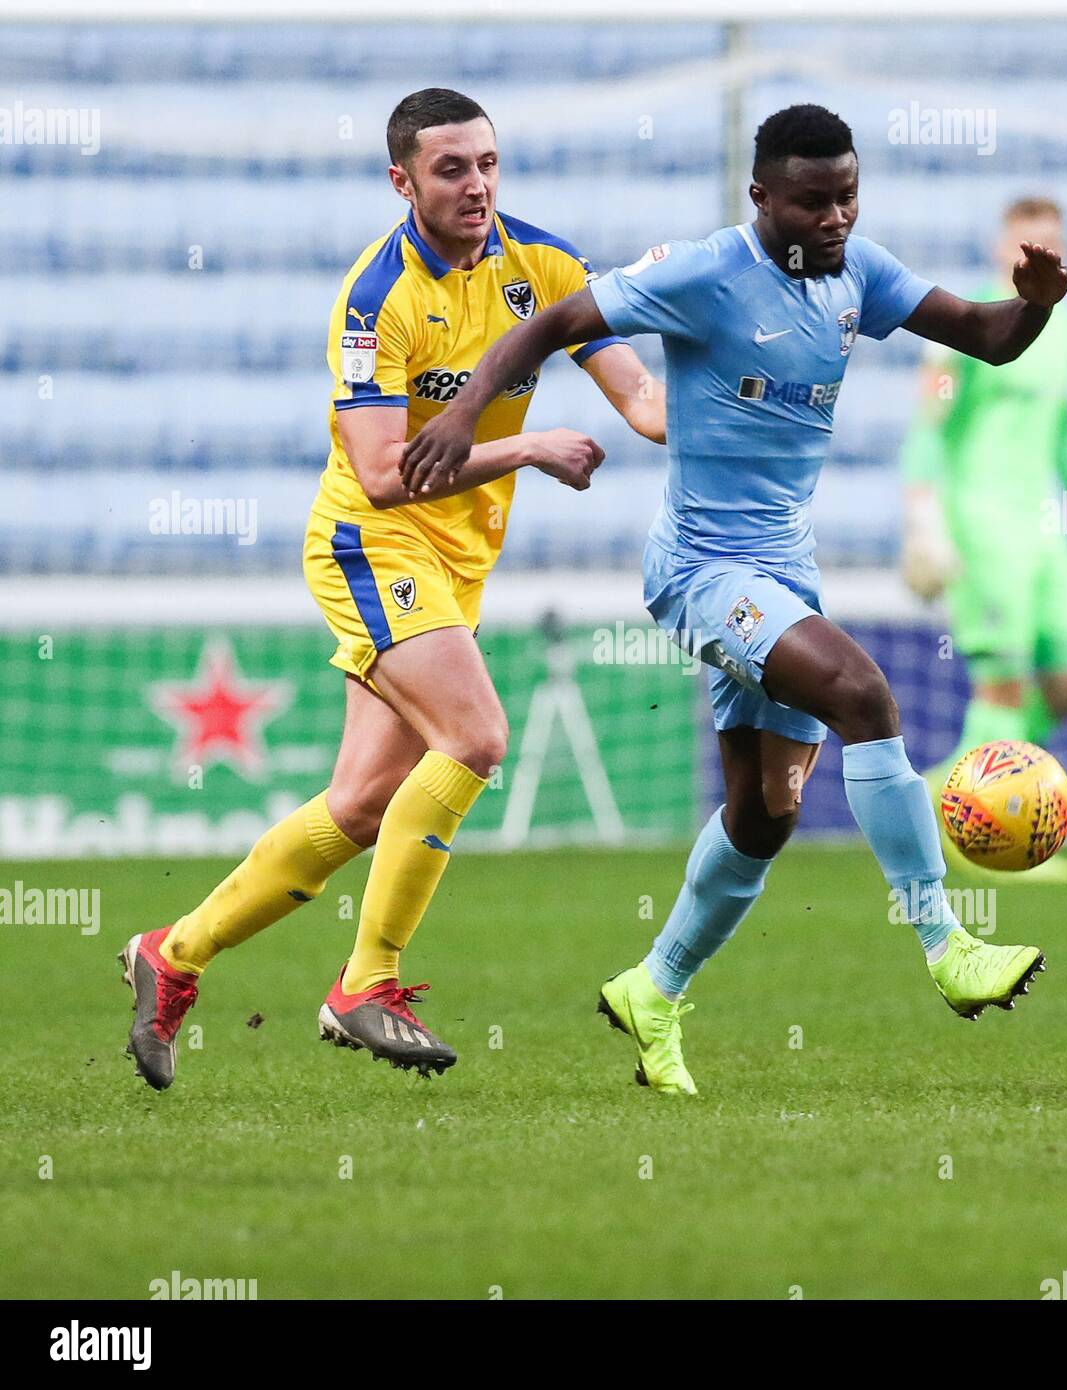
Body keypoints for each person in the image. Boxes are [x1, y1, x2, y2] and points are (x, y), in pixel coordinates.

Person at [399, 104, 1067, 1096]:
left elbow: (985, 335)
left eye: (845, 195)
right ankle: (944, 943)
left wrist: (1036, 302)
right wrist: (461, 415)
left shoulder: (859, 274)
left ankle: (652, 985)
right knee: (862, 695)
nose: (834, 215)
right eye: (811, 200)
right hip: (701, 571)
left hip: (782, 571)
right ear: (761, 197)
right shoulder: (705, 275)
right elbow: (553, 321)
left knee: (767, 809)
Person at [119, 87, 665, 1091]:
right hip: (371, 544)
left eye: (488, 164)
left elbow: (638, 395)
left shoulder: (543, 265)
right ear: (402, 179)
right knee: (477, 737)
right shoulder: (375, 300)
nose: (476, 184)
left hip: (455, 562)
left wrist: (727, 400)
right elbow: (379, 474)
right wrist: (529, 445)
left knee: (364, 803)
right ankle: (364, 982)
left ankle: (173, 954)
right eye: (451, 168)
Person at [900, 196, 1067, 812]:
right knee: (1004, 683)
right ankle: (978, 819)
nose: (1040, 257)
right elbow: (928, 424)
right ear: (1000, 250)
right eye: (1026, 246)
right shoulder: (967, 324)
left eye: (1051, 246)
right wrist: (924, 523)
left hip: (1040, 527)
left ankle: (945, 794)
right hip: (980, 523)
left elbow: (1065, 433)